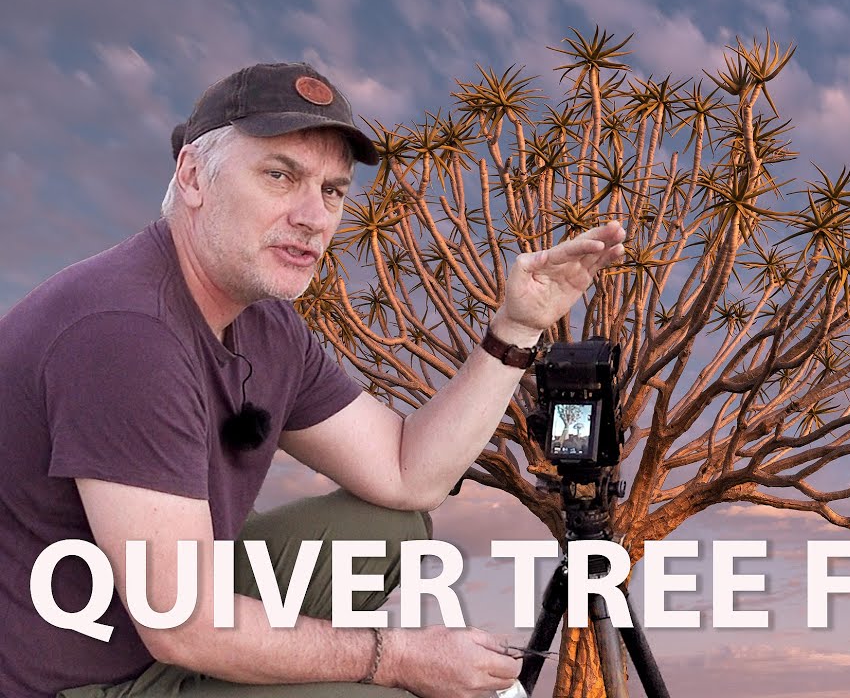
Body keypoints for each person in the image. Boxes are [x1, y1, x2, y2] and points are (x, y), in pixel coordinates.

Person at [0, 62, 625, 698]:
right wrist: (398, 658)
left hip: (161, 619)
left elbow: (409, 472)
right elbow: (181, 623)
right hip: (89, 679)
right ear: (192, 176)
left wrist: (515, 328)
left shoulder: (266, 324)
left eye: (332, 191)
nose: (313, 216)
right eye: (280, 175)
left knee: (391, 525)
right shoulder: (124, 334)